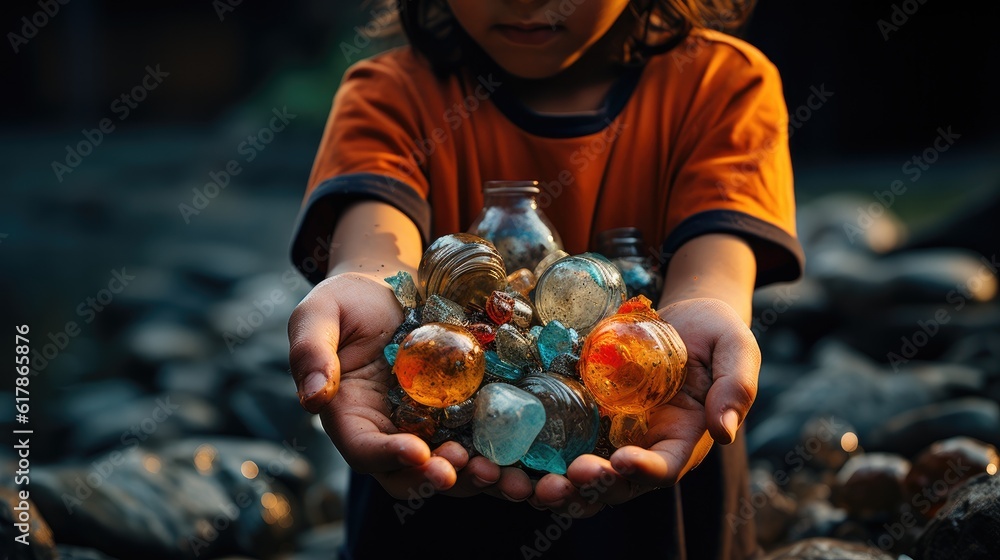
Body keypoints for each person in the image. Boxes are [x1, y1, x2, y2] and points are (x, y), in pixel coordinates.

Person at [287, 0, 803, 558]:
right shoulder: (389, 91)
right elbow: (376, 253)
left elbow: (713, 273)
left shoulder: (720, 83)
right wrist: (368, 286)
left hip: (663, 468)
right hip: (426, 475)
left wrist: (700, 317)